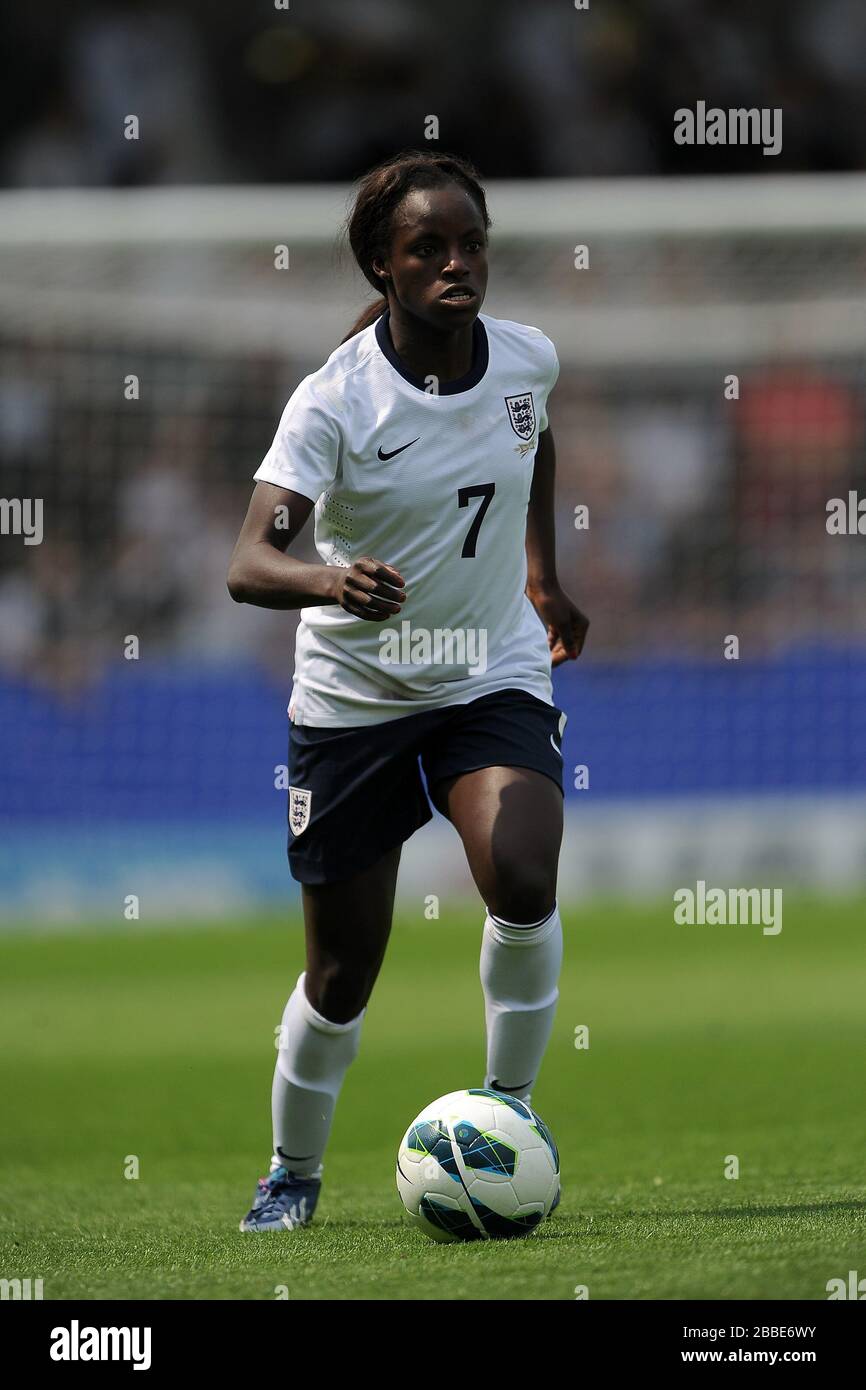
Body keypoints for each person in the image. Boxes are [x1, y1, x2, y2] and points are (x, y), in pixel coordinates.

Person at [227, 150, 588, 1232]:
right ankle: (291, 1171)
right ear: (381, 266)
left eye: (469, 243)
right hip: (355, 698)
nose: (454, 263)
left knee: (521, 873)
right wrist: (330, 578)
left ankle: (507, 1108)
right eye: (425, 247)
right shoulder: (333, 401)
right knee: (341, 974)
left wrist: (542, 575)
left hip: (488, 670)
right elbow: (249, 560)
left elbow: (533, 442)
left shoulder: (526, 361)